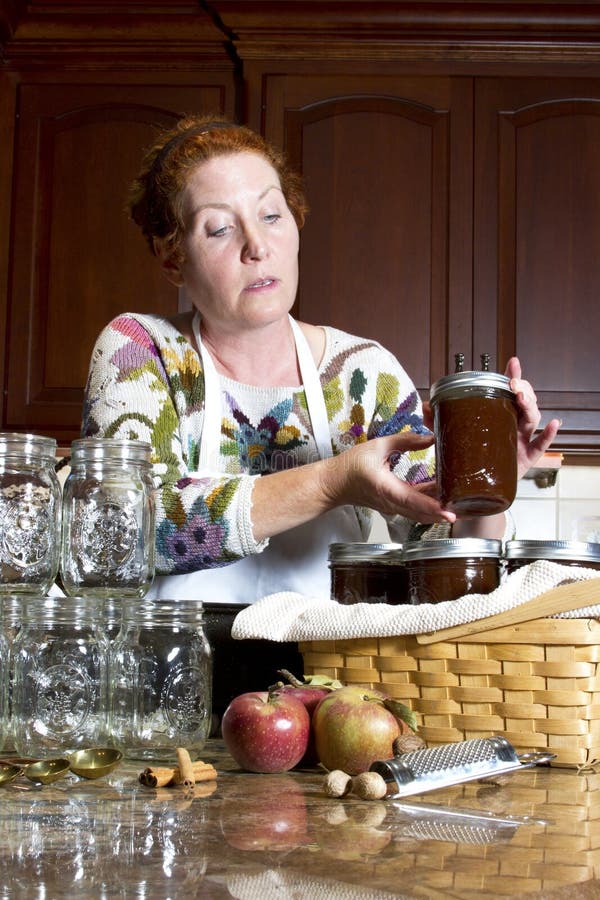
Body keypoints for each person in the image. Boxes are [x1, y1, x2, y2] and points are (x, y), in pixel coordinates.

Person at [81, 113, 560, 605]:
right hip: (177, 670)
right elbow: (124, 534)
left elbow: (439, 551)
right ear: (172, 257)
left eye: (271, 216)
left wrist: (489, 481)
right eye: (220, 229)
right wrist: (334, 481)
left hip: (331, 677)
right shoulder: (141, 351)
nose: (258, 247)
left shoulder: (363, 374)